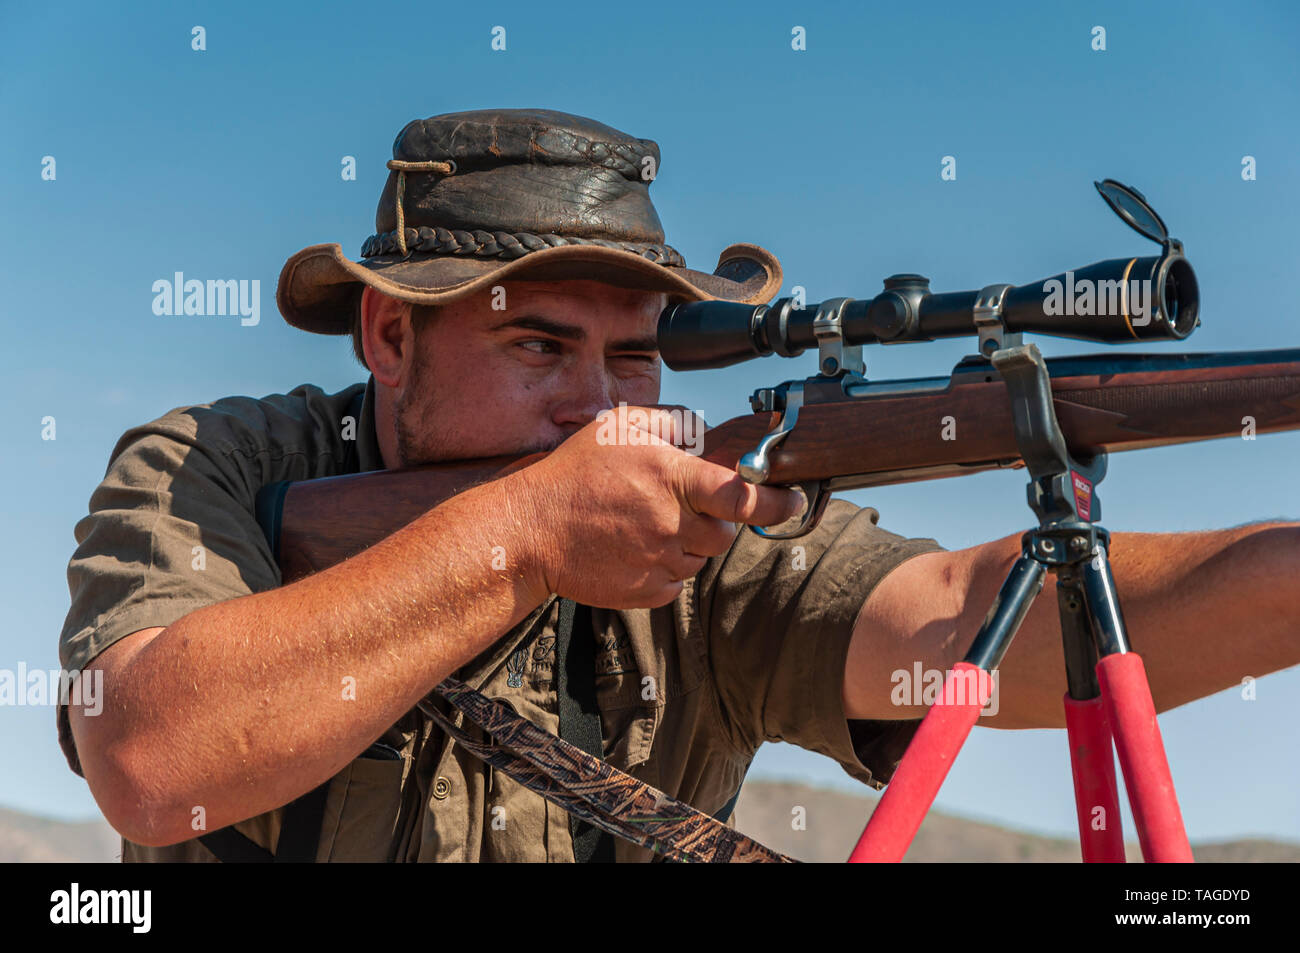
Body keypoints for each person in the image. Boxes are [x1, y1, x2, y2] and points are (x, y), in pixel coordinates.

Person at [57, 108, 1299, 862]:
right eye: (539, 345)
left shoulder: (694, 514)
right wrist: (523, 538)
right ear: (389, 338)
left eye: (638, 351)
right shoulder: (227, 465)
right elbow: (157, 758)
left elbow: (959, 611)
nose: (598, 404)